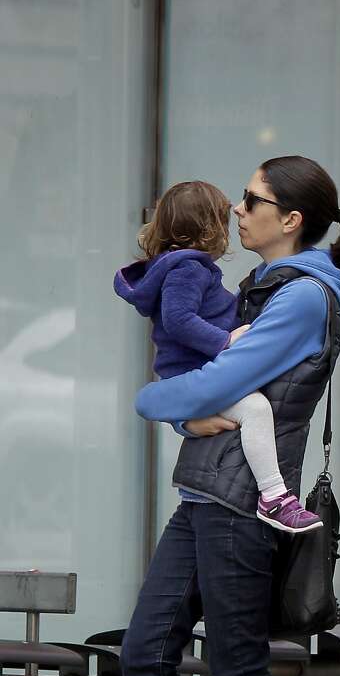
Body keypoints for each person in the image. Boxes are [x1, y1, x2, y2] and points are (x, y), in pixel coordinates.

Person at [101, 156, 340, 676]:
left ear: (292, 220)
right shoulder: (268, 287)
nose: (239, 210)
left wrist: (161, 404)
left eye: (253, 200)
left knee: (239, 670)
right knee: (147, 656)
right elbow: (204, 392)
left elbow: (203, 386)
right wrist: (191, 416)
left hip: (241, 504)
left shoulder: (304, 298)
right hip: (206, 495)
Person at [114, 180, 321, 534]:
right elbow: (178, 321)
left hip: (189, 378)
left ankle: (274, 496)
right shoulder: (188, 269)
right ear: (210, 228)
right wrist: (224, 340)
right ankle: (274, 496)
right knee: (255, 408)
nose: (237, 216)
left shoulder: (178, 267)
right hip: (193, 373)